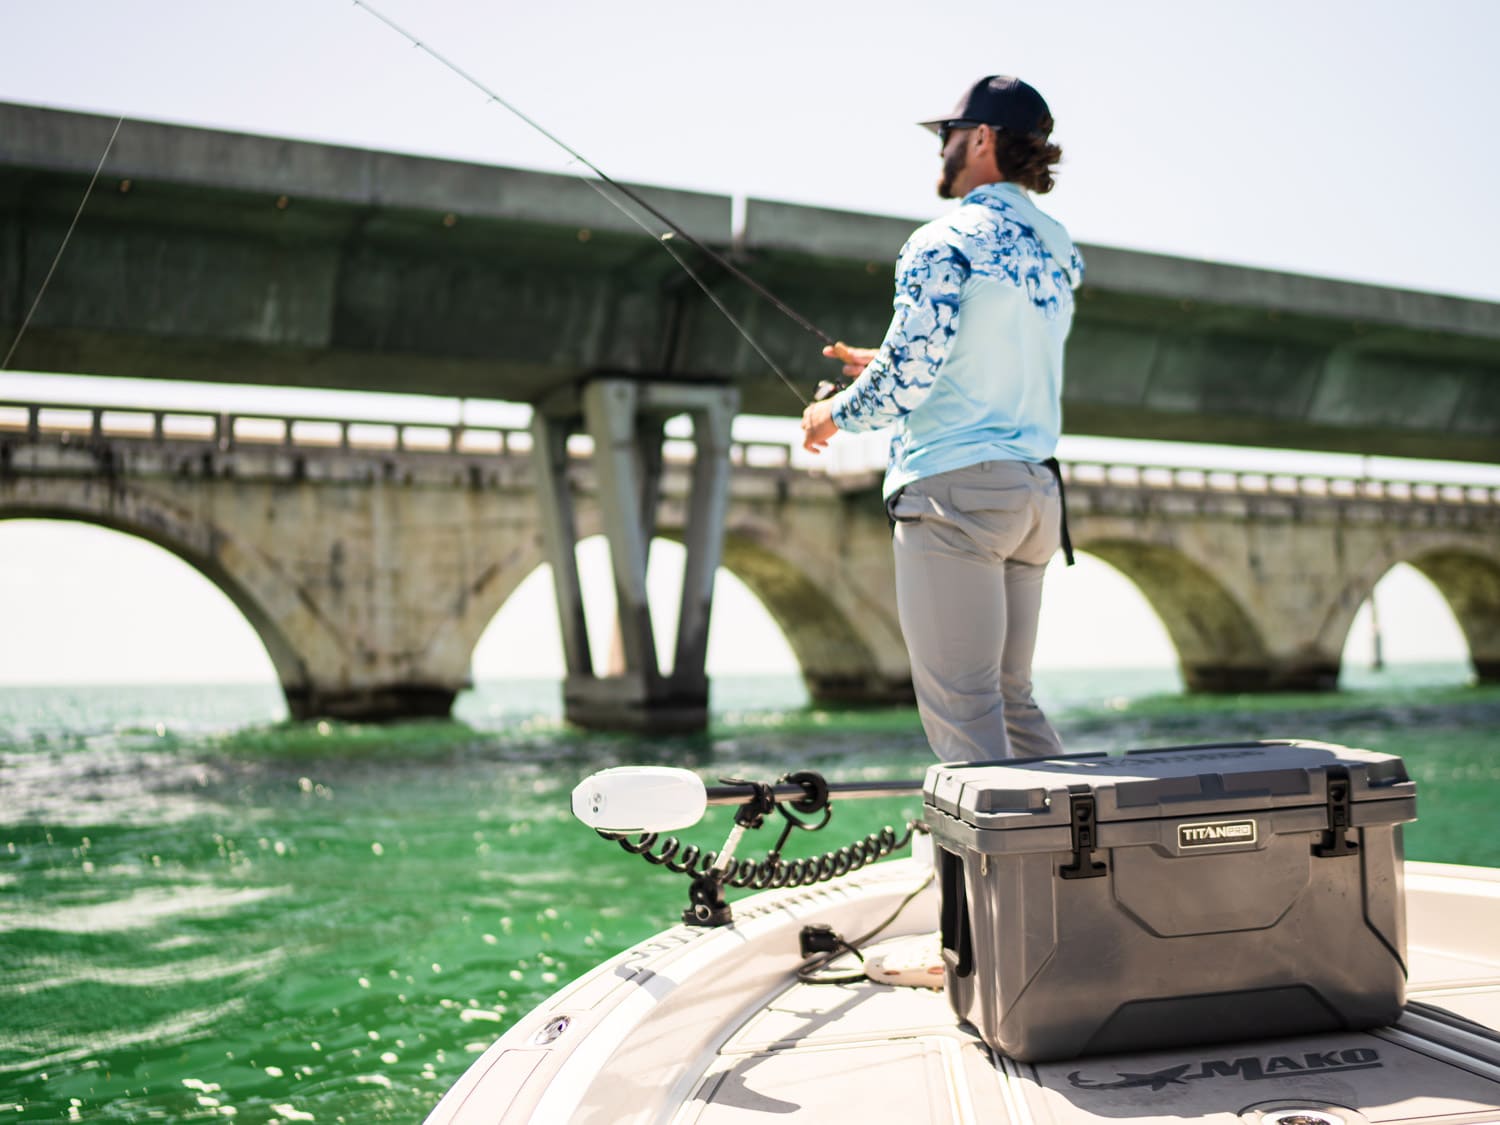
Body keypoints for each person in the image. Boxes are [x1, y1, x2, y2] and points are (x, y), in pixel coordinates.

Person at [800, 75, 1084, 762]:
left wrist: (830, 414)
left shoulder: (944, 240)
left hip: (957, 496)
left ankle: (999, 870)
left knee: (965, 708)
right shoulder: (1058, 248)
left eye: (948, 138)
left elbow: (908, 381)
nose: (941, 153)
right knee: (1011, 701)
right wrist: (889, 359)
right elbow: (986, 351)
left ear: (981, 139)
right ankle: (1079, 862)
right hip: (1035, 498)